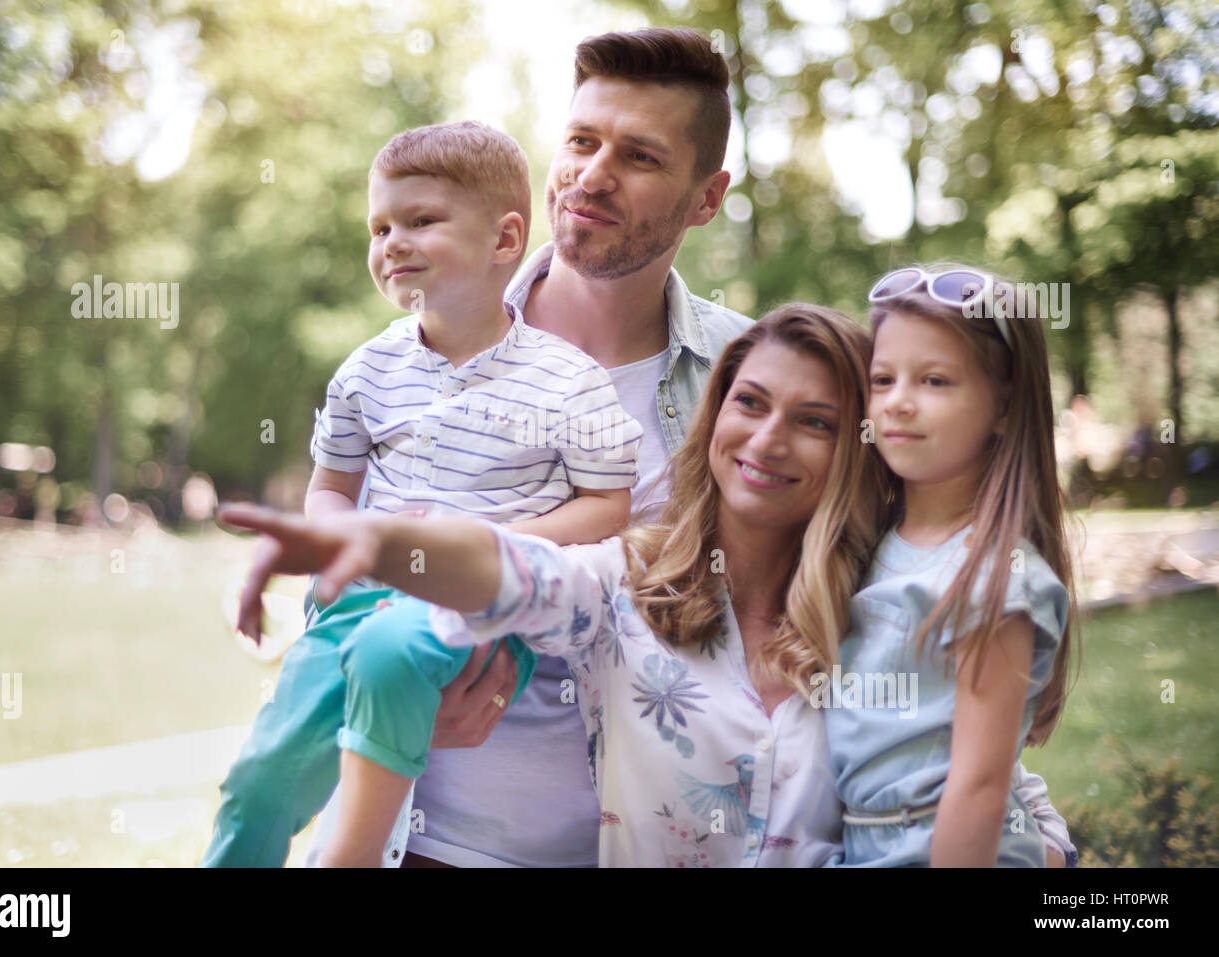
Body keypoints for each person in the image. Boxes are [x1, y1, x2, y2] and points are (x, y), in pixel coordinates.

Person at [313, 26, 1076, 868]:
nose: (593, 175)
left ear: (706, 198)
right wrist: (379, 690)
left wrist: (1027, 821)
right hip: (418, 836)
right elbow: (332, 566)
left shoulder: (756, 388)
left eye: (639, 156)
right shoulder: (416, 351)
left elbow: (892, 599)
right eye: (581, 141)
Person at [225, 304, 883, 865]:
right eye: (751, 401)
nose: (769, 439)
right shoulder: (626, 587)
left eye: (814, 421)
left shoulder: (886, 618)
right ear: (715, 414)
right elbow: (503, 567)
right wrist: (373, 538)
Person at [202, 121, 644, 867]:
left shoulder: (568, 379)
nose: (392, 243)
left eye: (420, 221)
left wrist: (495, 541)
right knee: (260, 781)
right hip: (355, 603)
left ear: (505, 240)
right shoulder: (367, 372)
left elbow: (610, 506)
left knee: (387, 653)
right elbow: (329, 490)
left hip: (476, 606)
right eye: (380, 226)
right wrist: (348, 538)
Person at [823, 265, 1079, 866]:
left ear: (1003, 406)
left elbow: (980, 790)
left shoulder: (996, 577)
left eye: (935, 381)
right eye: (882, 380)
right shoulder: (869, 542)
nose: (899, 403)